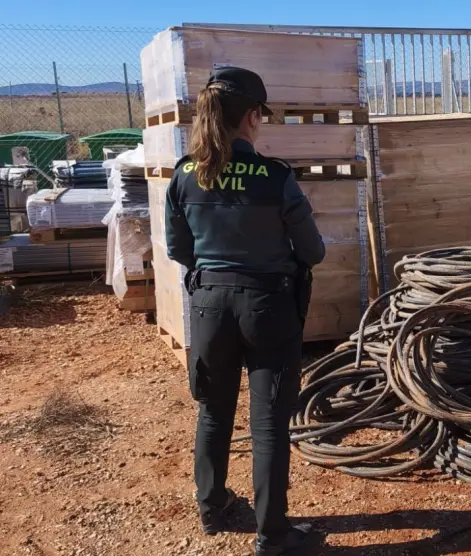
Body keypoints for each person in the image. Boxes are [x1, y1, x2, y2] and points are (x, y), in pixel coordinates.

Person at [164, 66, 326, 556]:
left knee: (213, 412)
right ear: (252, 116)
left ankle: (213, 508)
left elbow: (178, 248)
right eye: (262, 115)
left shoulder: (184, 174)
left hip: (209, 304)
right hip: (267, 306)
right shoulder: (276, 178)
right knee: (269, 424)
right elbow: (313, 252)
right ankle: (272, 535)